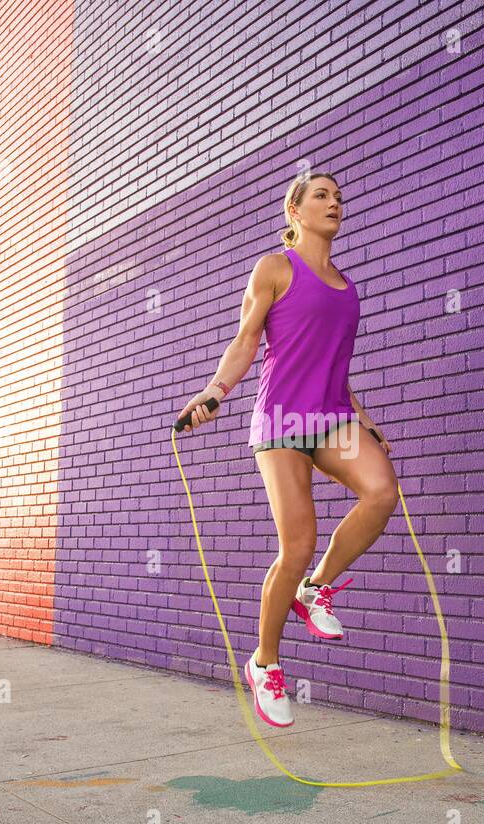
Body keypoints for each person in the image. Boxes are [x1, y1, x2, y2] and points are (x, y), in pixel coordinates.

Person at [175, 172, 397, 727]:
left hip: (331, 416)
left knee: (381, 492)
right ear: (294, 211)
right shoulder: (275, 268)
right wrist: (214, 391)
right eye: (320, 195)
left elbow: (336, 368)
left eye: (339, 196)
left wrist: (364, 421)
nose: (334, 203)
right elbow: (247, 339)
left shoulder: (348, 289)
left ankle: (316, 589)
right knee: (296, 543)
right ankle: (265, 663)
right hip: (281, 419)